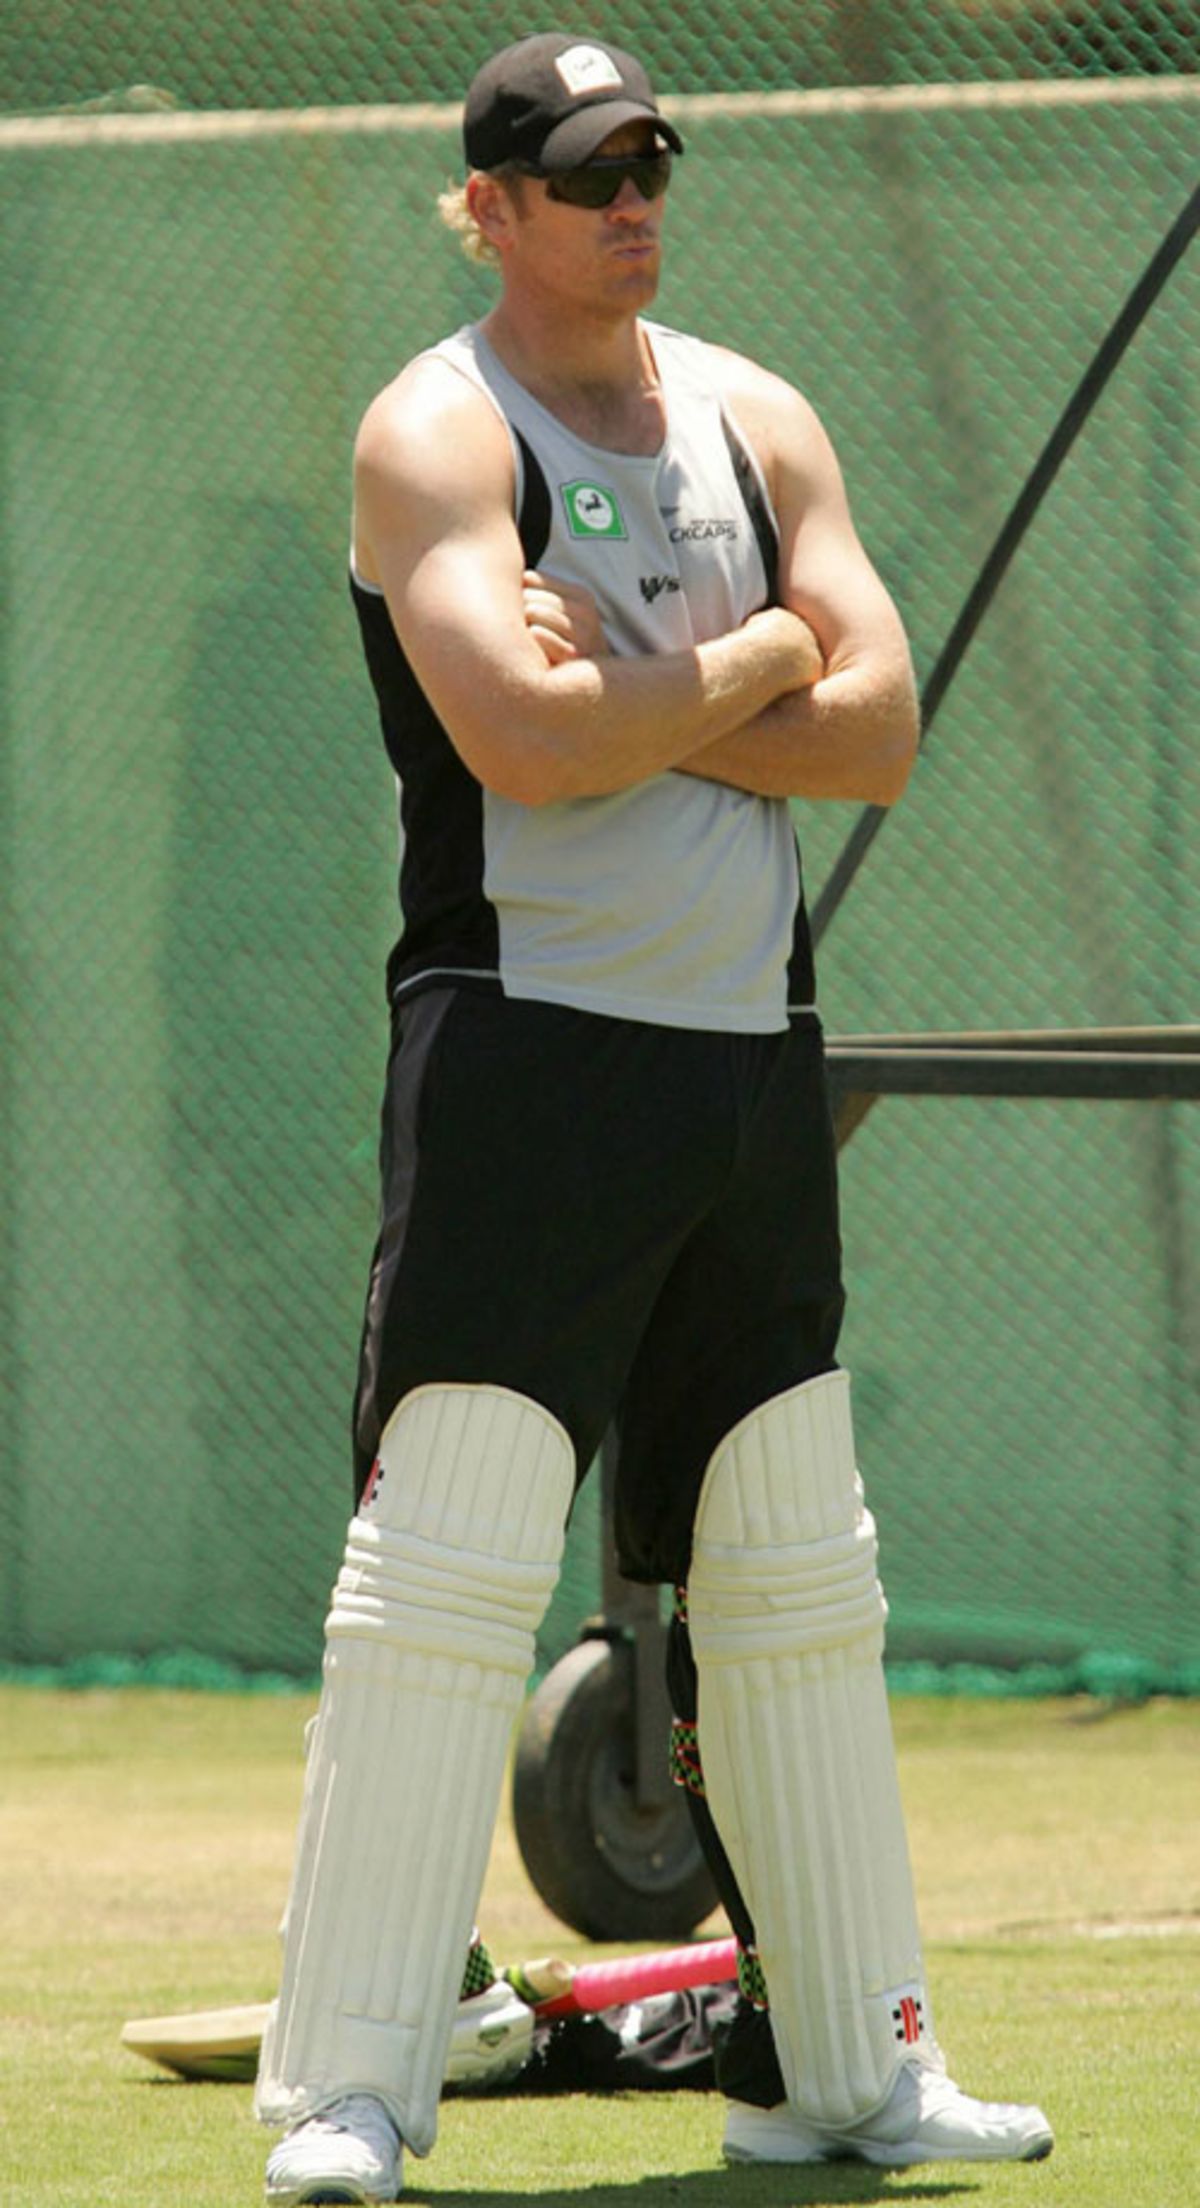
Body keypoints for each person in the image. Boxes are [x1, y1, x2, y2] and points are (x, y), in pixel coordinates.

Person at [255, 31, 1053, 2202]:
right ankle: (354, 2088)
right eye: (584, 173)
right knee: (449, 1568)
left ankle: (845, 2075)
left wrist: (651, 689)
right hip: (525, 1049)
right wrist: (761, 656)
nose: (631, 203)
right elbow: (519, 742)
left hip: (744, 1055)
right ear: (487, 205)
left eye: (649, 167)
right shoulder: (434, 428)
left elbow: (875, 733)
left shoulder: (757, 411)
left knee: (799, 1567)